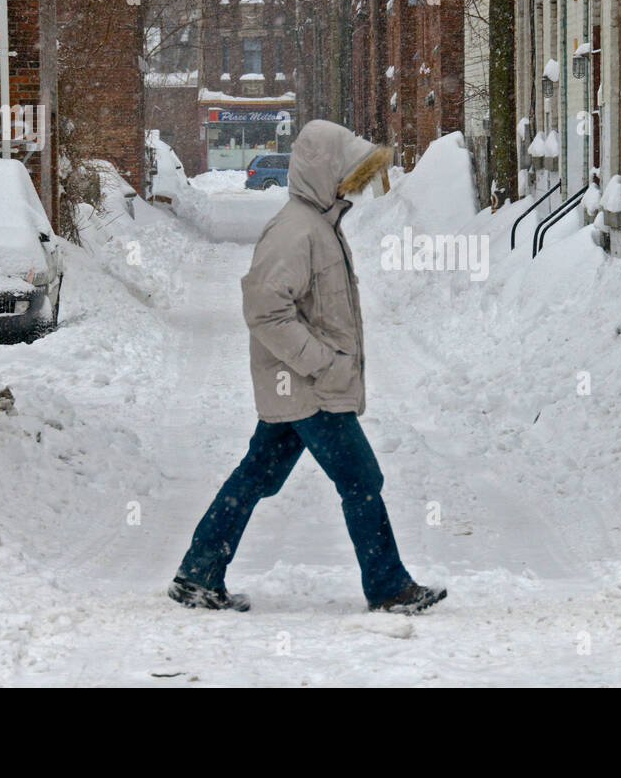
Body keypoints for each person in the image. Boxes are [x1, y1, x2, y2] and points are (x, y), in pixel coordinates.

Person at [169, 120, 447, 615]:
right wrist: (321, 364)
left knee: (256, 475)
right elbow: (264, 309)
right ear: (323, 173)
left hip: (301, 387)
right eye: (346, 174)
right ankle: (388, 588)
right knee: (361, 479)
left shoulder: (317, 225)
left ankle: (198, 572)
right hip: (310, 388)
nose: (351, 186)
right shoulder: (297, 231)